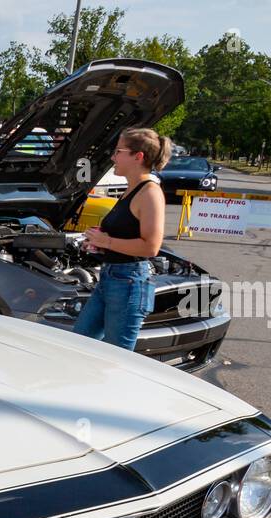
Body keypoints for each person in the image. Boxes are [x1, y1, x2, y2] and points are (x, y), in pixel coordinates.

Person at [74, 127, 169, 352]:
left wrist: (107, 242)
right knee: (79, 345)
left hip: (129, 282)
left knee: (118, 358)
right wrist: (99, 242)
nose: (112, 157)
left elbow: (151, 247)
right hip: (111, 277)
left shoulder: (150, 192)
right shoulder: (131, 189)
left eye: (118, 151)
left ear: (138, 157)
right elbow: (125, 233)